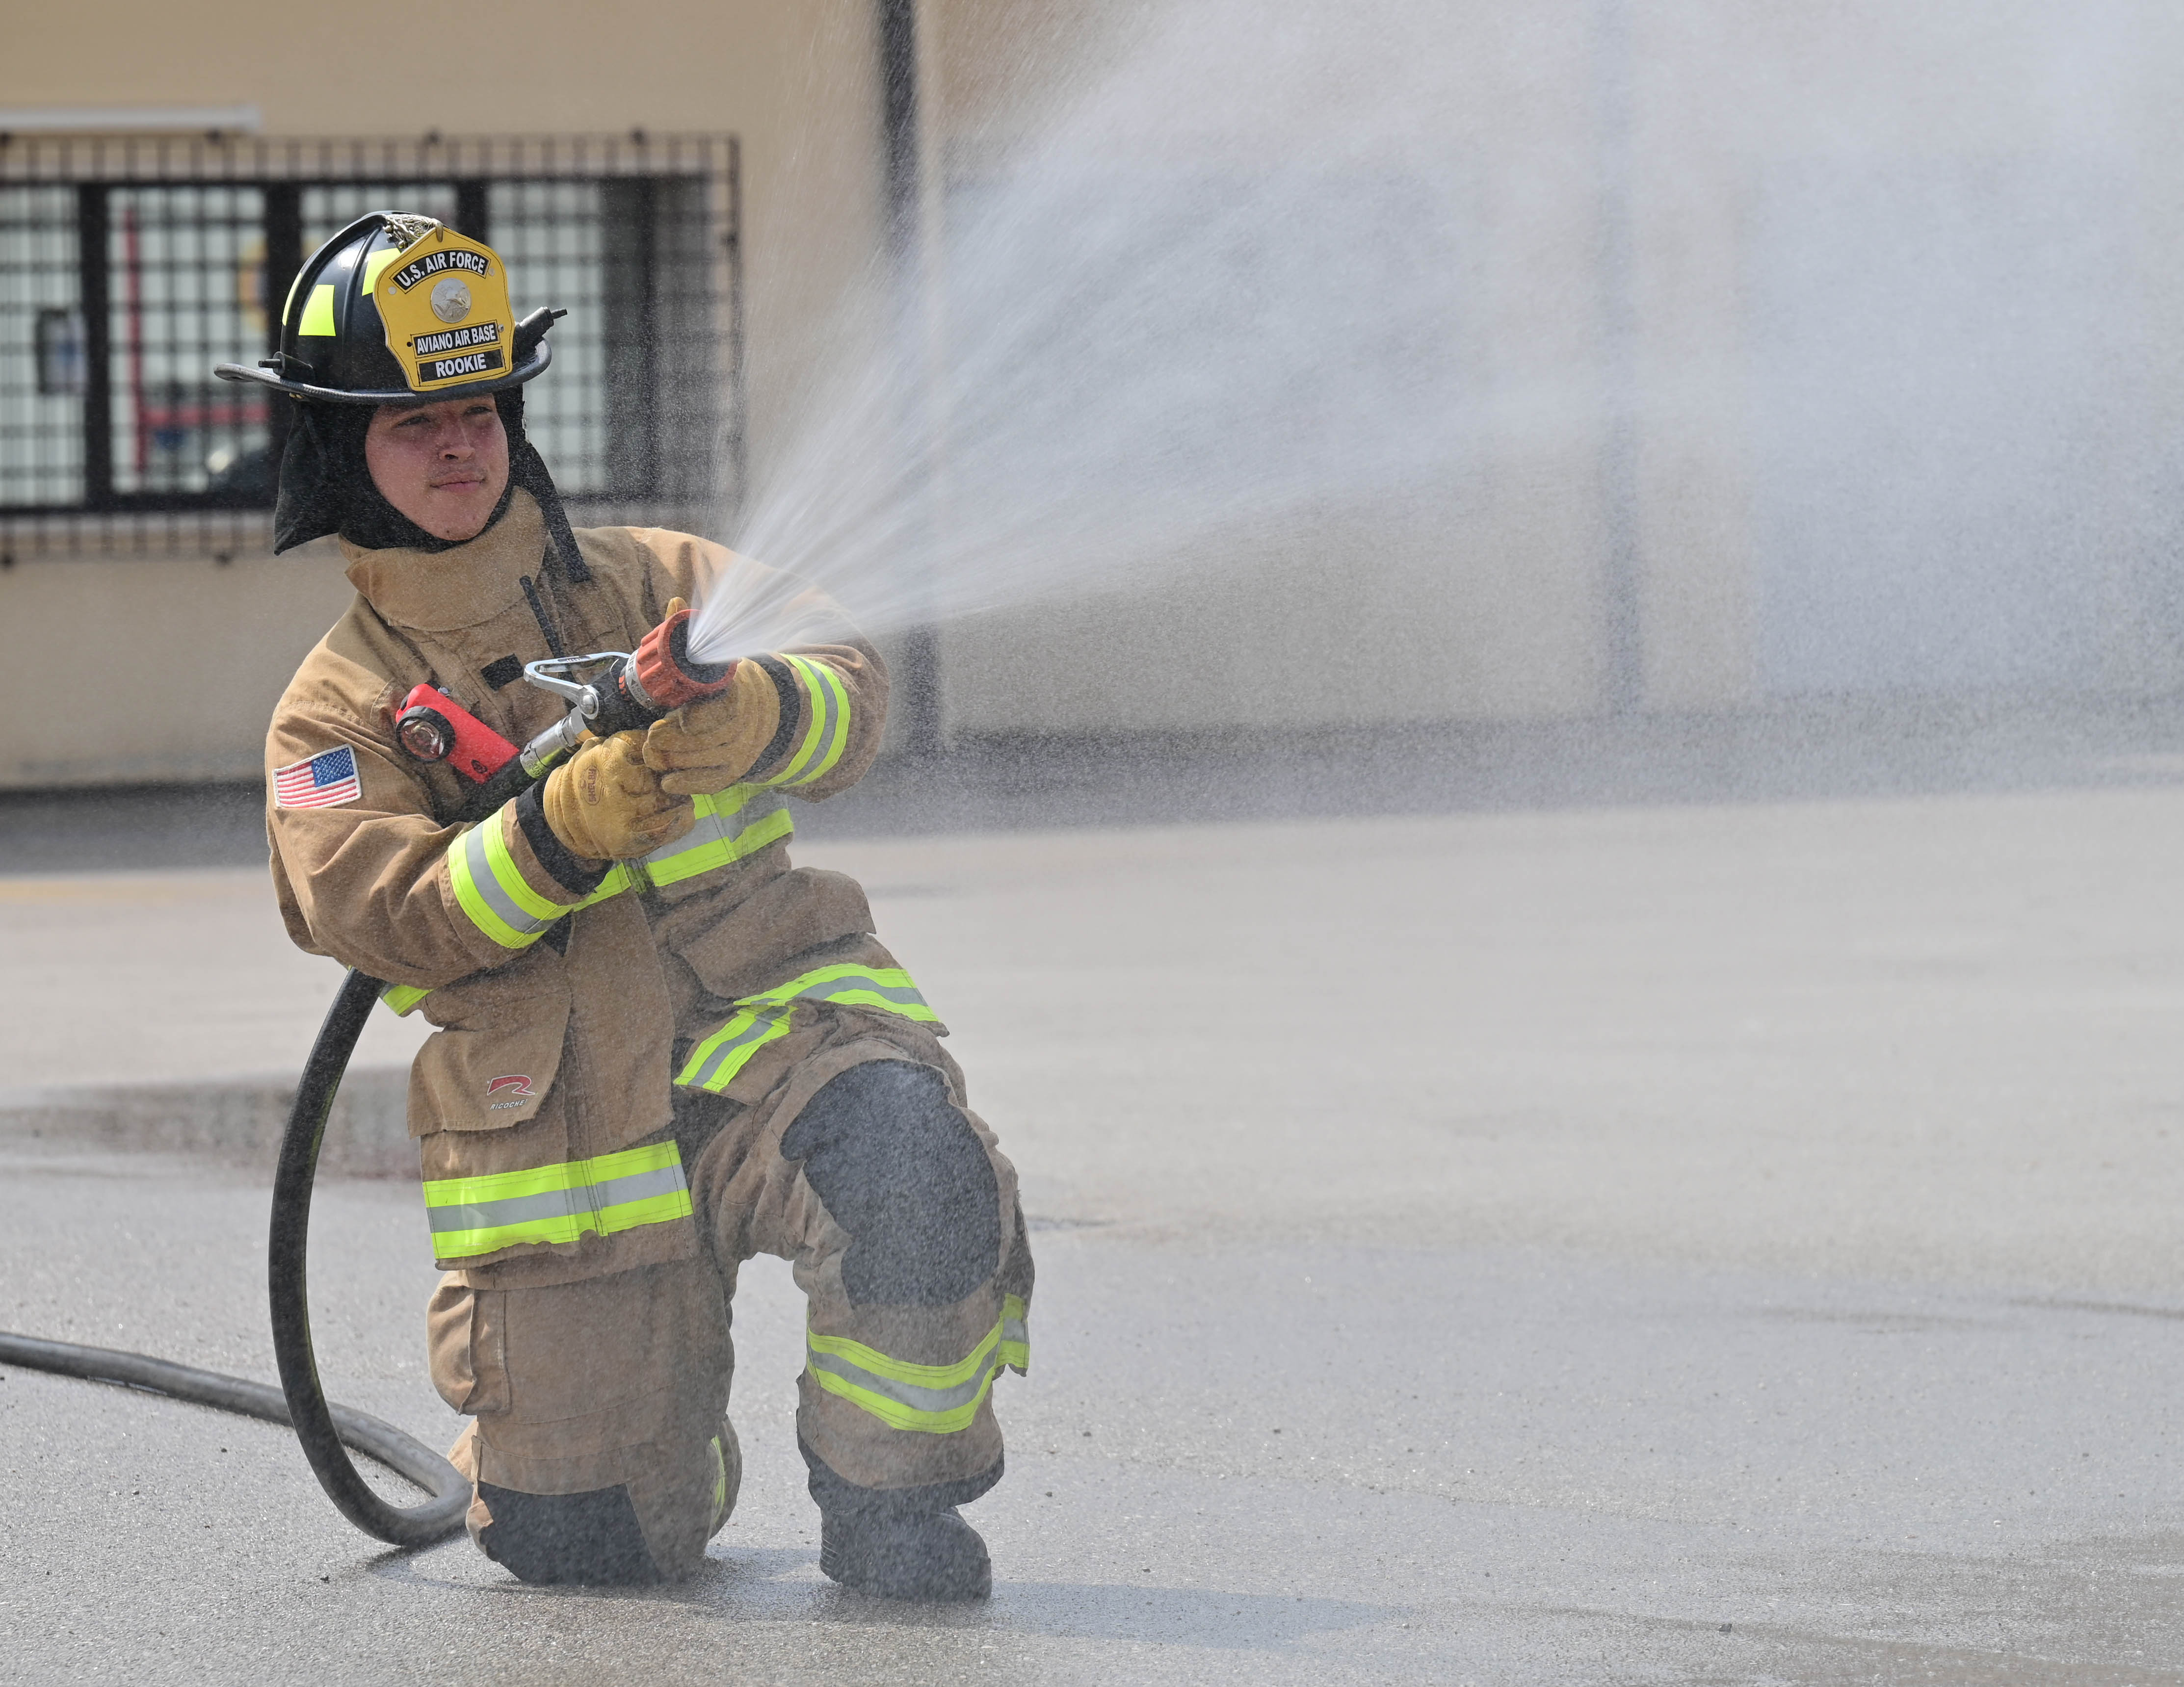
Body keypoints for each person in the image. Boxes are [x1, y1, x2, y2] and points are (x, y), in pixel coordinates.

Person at [217, 212, 1031, 1596]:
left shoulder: (663, 579)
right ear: (334, 445)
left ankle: (892, 1498)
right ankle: (654, 1458)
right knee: (587, 1546)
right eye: (412, 422)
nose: (458, 445)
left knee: (914, 1169)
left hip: (775, 1029)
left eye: (476, 408)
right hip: (565, 1124)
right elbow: (387, 916)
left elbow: (853, 689)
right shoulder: (335, 717)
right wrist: (557, 828)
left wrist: (766, 709)